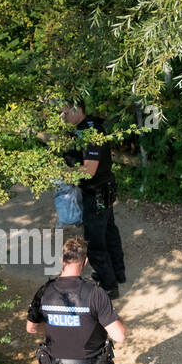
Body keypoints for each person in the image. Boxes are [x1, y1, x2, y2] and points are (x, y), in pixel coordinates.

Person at [59, 98, 126, 298]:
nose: (62, 117)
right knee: (109, 232)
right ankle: (117, 273)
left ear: (78, 110)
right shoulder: (85, 127)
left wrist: (63, 174)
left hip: (96, 192)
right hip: (104, 188)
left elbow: (89, 170)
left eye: (65, 113)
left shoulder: (89, 132)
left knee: (95, 241)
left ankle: (109, 286)